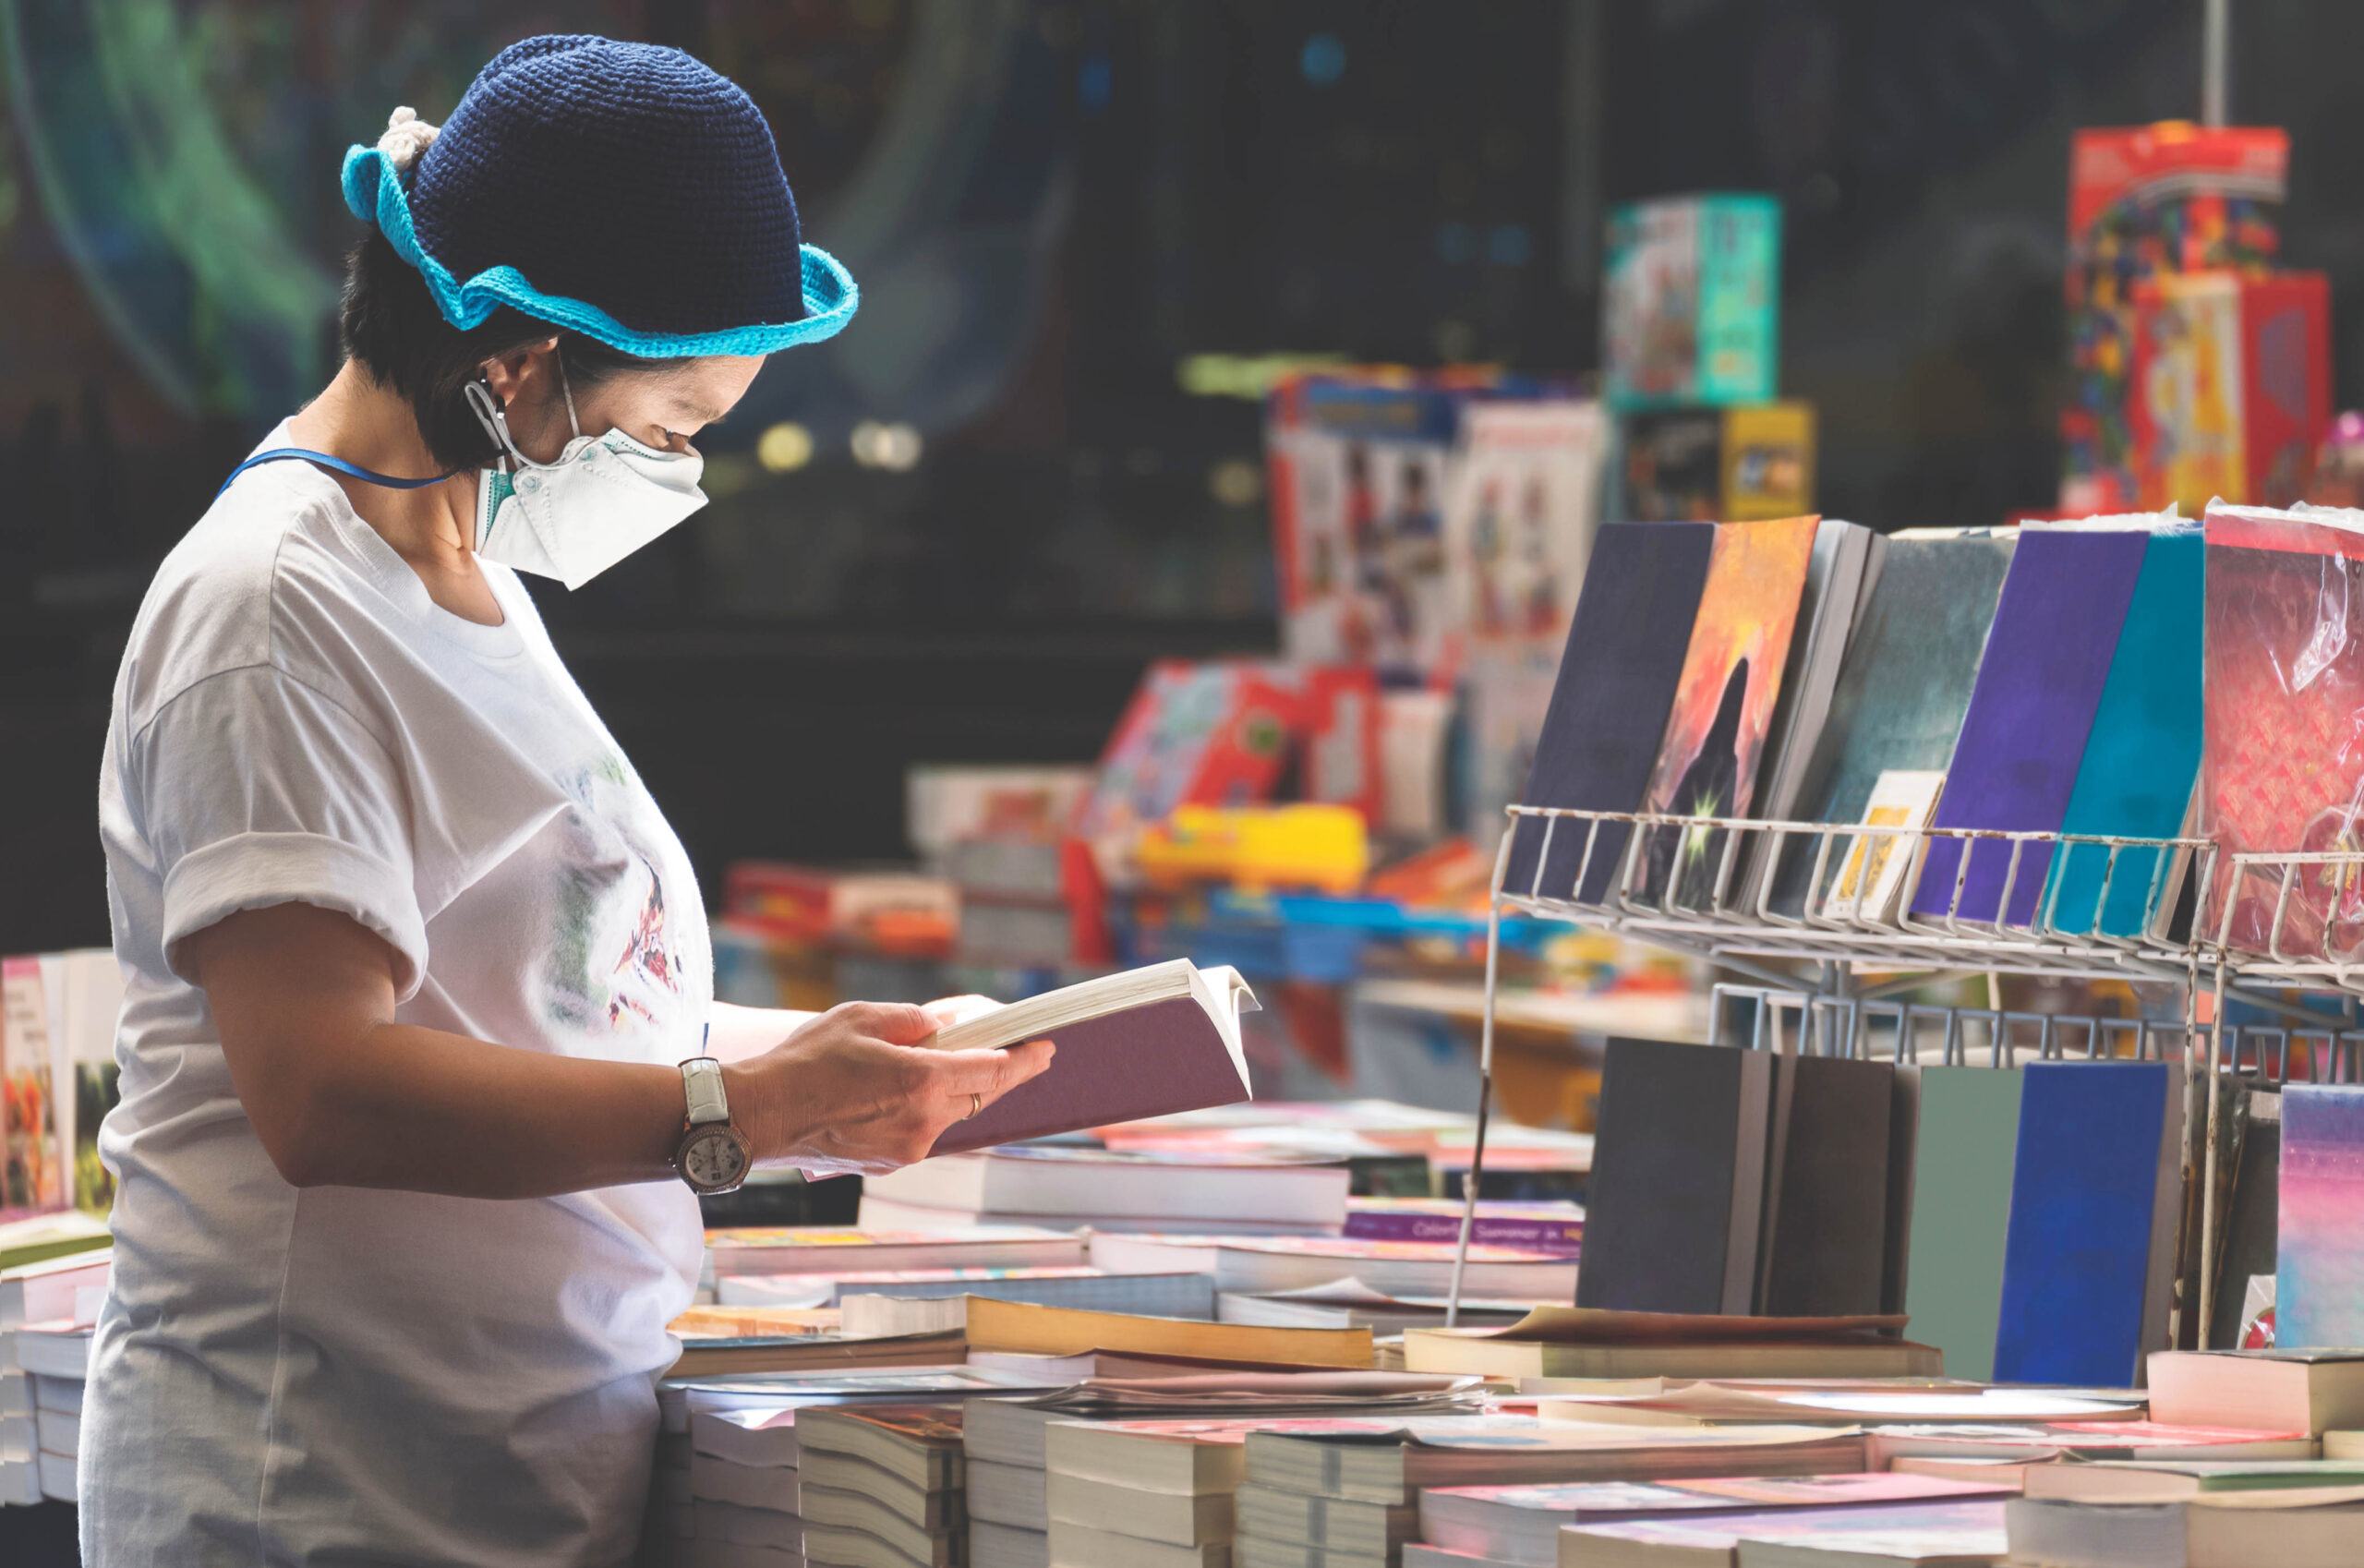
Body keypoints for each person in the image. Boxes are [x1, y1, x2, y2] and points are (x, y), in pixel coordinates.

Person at [81, 36, 1053, 1566]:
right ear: (520, 370)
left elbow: (542, 1003)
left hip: (515, 1471)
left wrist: (837, 1070)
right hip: (327, 1491)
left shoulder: (462, 564)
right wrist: (748, 1111)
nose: (681, 469)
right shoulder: (271, 609)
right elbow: (323, 1087)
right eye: (673, 424)